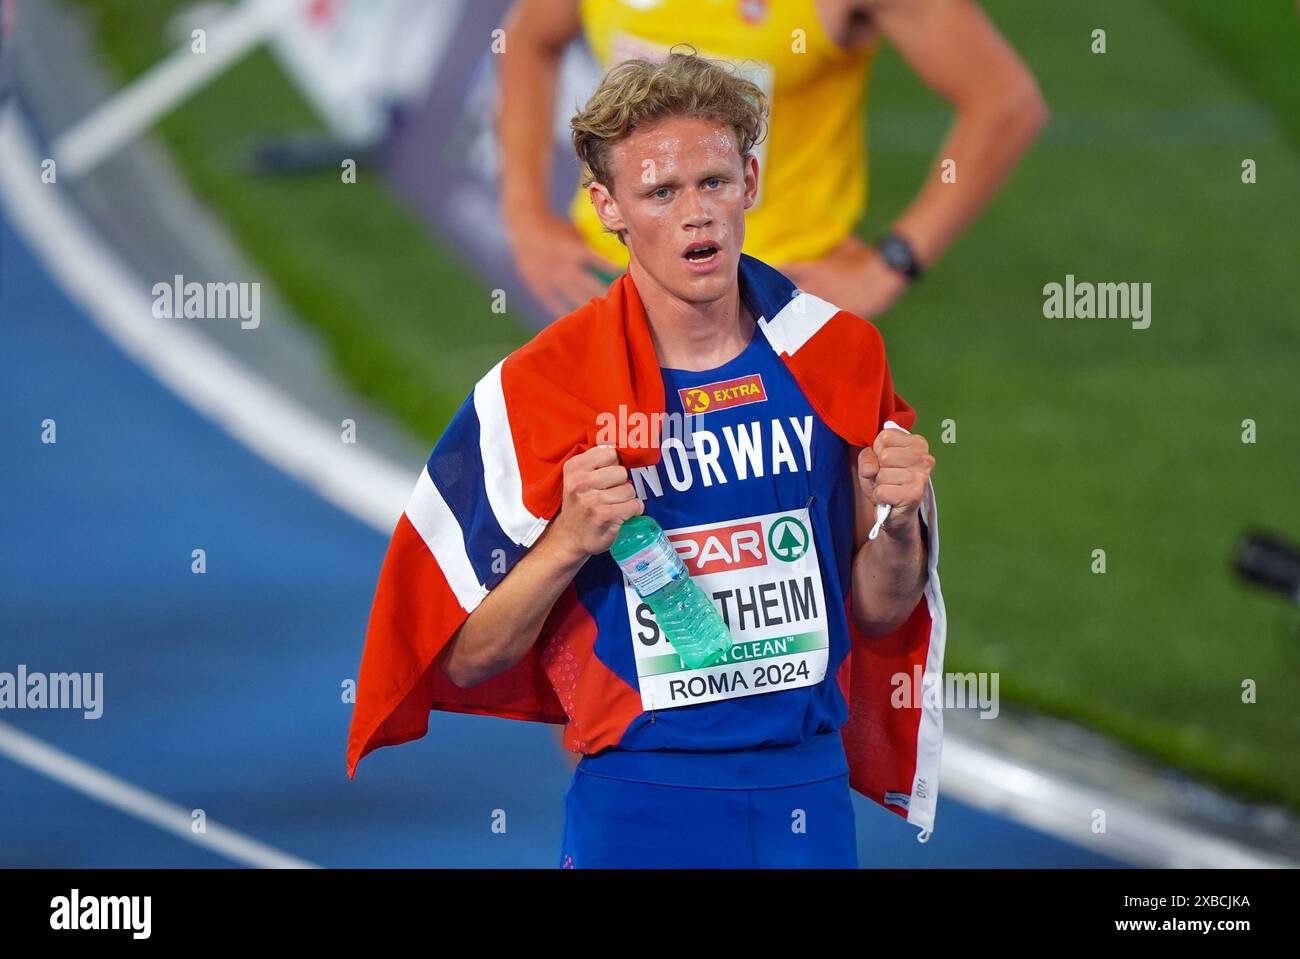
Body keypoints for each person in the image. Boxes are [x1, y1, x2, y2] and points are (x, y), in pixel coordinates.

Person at [347, 50, 947, 868]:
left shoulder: (835, 356)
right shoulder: (543, 389)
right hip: (642, 803)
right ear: (608, 207)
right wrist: (567, 539)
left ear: (752, 181)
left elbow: (878, 612)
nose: (695, 215)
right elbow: (463, 653)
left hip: (804, 793)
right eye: (660, 193)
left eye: (712, 183)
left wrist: (901, 525)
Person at [498, 0, 1047, 321]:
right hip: (613, 295)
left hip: (774, 309)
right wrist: (526, 221)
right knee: (589, 511)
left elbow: (1005, 102)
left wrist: (893, 264)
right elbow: (527, 41)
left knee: (783, 520)